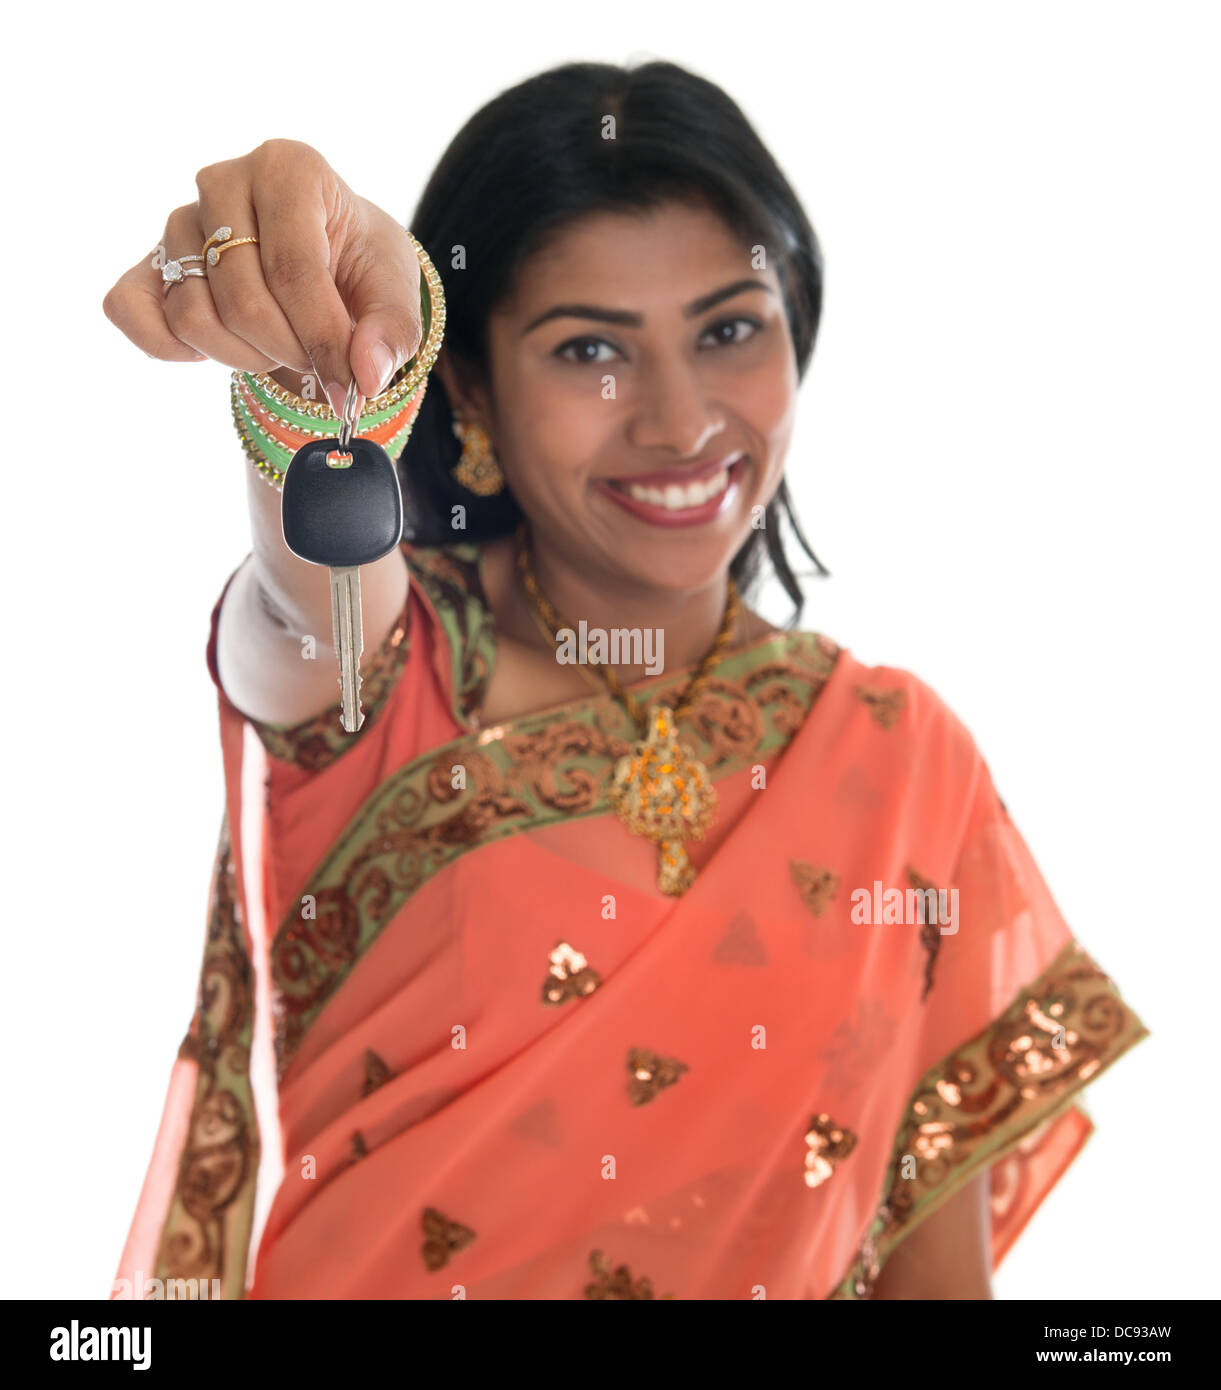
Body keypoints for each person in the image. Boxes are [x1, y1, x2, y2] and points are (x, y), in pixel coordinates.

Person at [102, 60, 1148, 1301]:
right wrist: (308, 373)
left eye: (728, 328)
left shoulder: (903, 756)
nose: (679, 418)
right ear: (472, 391)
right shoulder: (386, 662)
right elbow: (298, 596)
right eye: (589, 348)